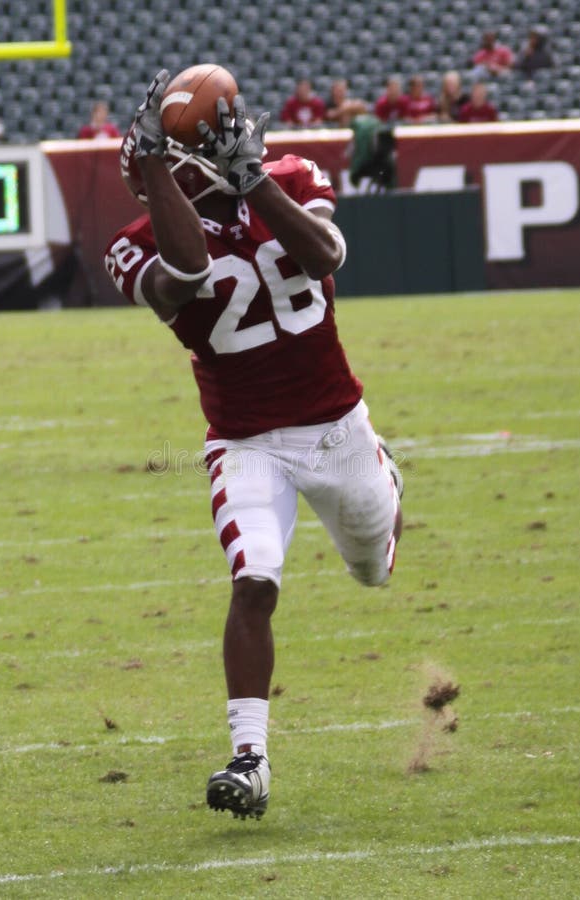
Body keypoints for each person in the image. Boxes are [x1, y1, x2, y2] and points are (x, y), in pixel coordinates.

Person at [105, 71, 404, 821]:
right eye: (146, 173)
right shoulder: (134, 247)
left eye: (160, 166)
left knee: (373, 572)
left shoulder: (291, 177)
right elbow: (188, 273)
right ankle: (250, 758)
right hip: (243, 441)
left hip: (337, 427)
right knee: (254, 578)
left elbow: (326, 255)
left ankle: (385, 476)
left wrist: (253, 185)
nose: (151, 185)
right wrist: (164, 169)